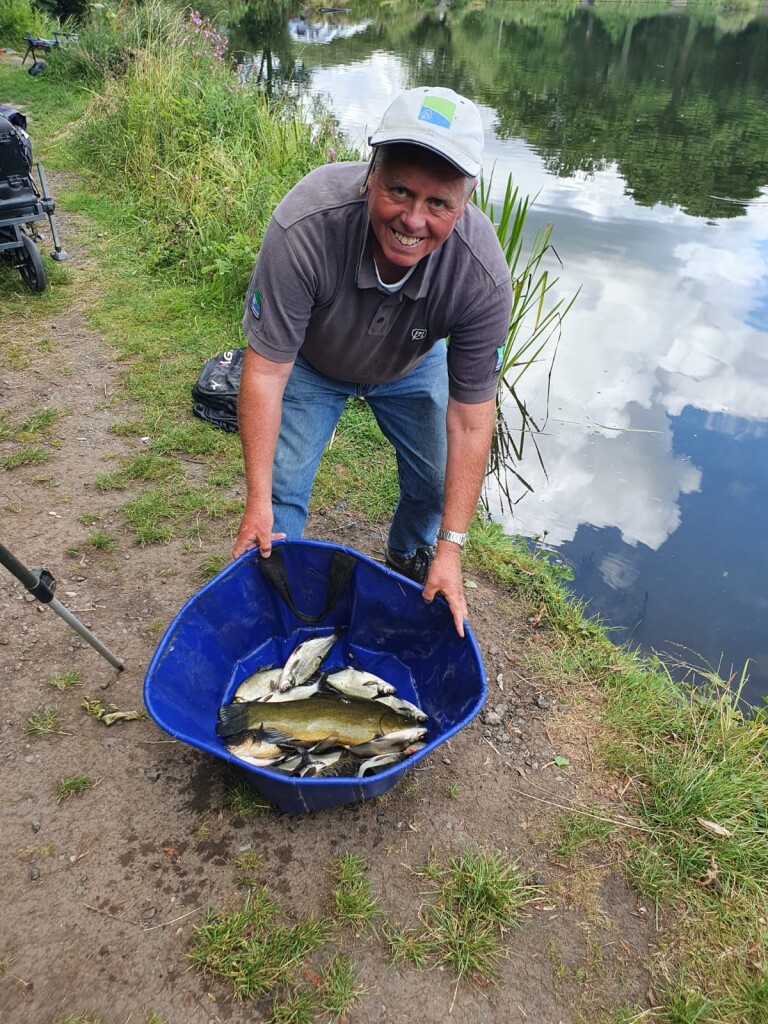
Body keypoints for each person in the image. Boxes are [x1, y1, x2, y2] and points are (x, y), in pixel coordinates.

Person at [233, 85, 513, 635]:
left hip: (412, 364)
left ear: (465, 201)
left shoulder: (481, 276)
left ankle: (412, 558)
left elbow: (472, 416)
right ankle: (277, 603)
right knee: (283, 495)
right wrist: (256, 502)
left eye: (438, 204)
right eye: (400, 191)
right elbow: (266, 372)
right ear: (371, 176)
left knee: (434, 485)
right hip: (310, 364)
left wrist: (451, 549)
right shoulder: (304, 226)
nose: (413, 219)